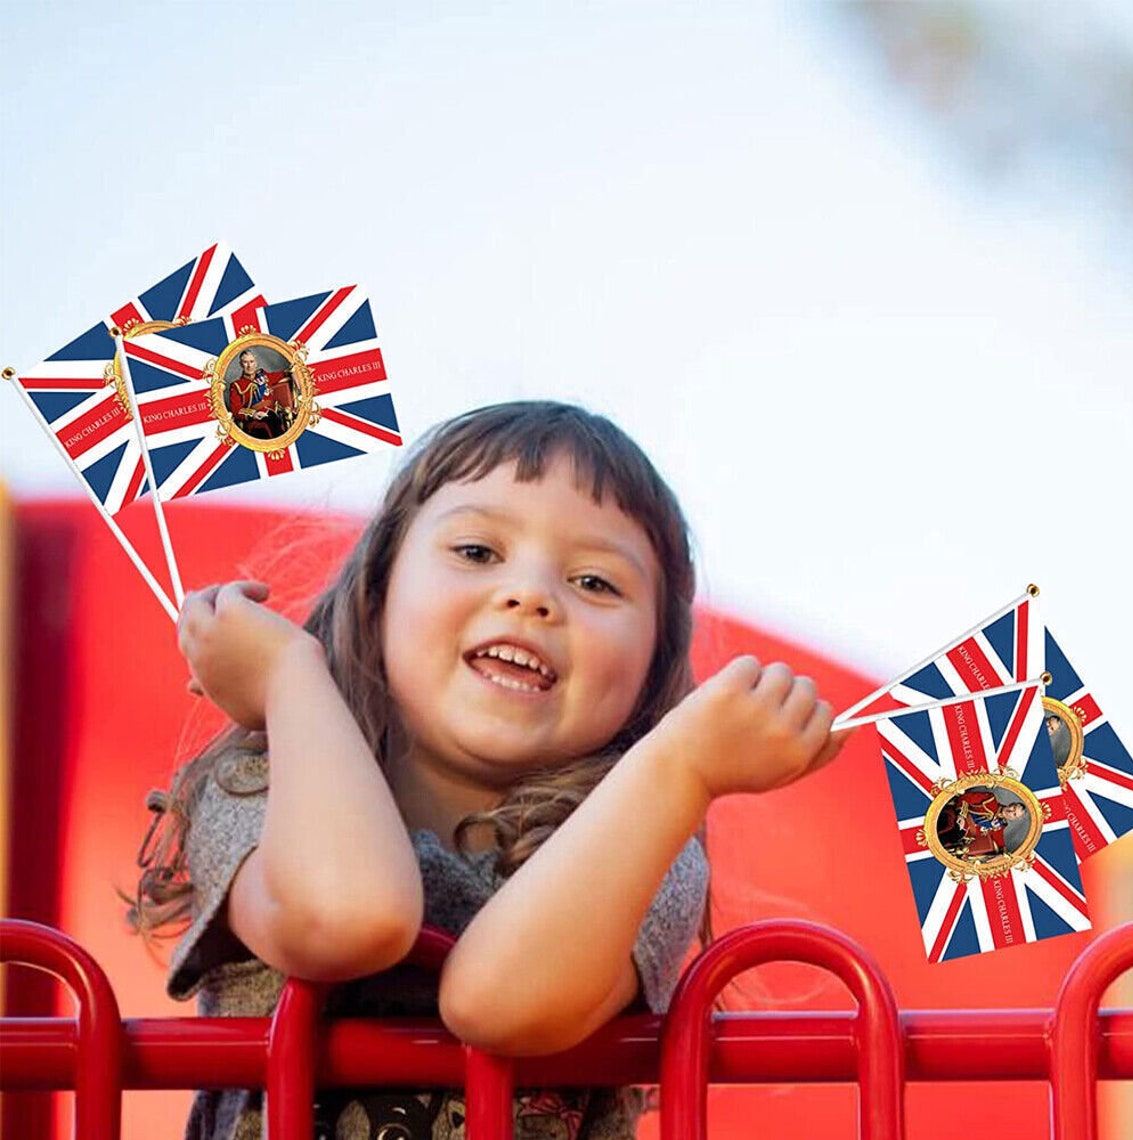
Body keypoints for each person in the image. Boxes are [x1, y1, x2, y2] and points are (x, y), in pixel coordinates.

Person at [128, 401, 848, 1140]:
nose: (531, 595)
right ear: (376, 591)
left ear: (653, 666)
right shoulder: (259, 783)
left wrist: (680, 765)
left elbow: (499, 1004)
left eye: (596, 583)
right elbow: (347, 919)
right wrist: (289, 675)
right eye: (477, 552)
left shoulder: (649, 842)